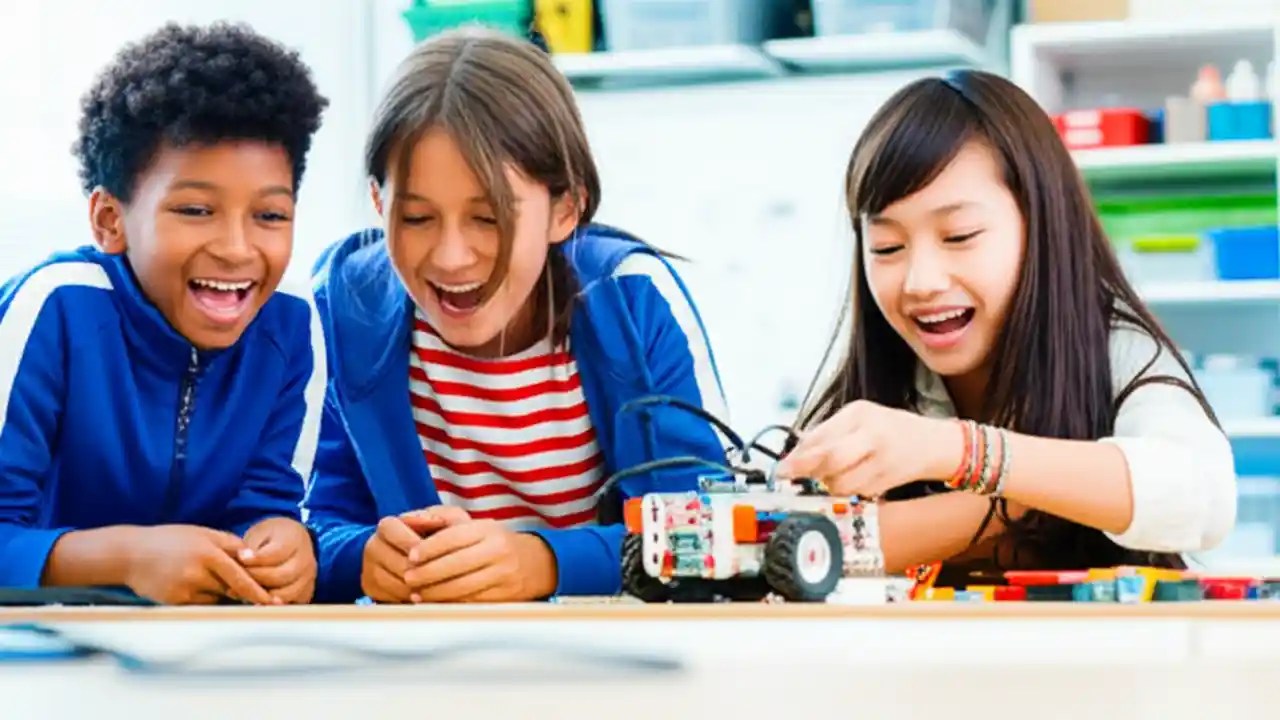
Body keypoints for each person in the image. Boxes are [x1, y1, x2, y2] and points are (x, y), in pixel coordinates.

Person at [303, 27, 729, 604]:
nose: (451, 256)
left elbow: (702, 532)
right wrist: (363, 559)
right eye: (417, 219)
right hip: (430, 671)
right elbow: (323, 523)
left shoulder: (629, 311)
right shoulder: (350, 316)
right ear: (380, 204)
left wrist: (544, 563)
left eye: (489, 218)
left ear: (565, 210)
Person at [776, 70, 1236, 581]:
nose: (920, 282)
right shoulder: (869, 377)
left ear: (1040, 226)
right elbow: (789, 547)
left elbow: (1202, 498)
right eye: (887, 248)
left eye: (959, 235)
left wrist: (959, 451)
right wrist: (1026, 501)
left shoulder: (1115, 346)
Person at [0, 22, 329, 604]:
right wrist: (127, 558)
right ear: (110, 220)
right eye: (197, 209)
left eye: (270, 216)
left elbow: (266, 505)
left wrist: (281, 543)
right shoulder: (54, 309)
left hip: (193, 660)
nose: (236, 247)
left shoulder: (292, 330)